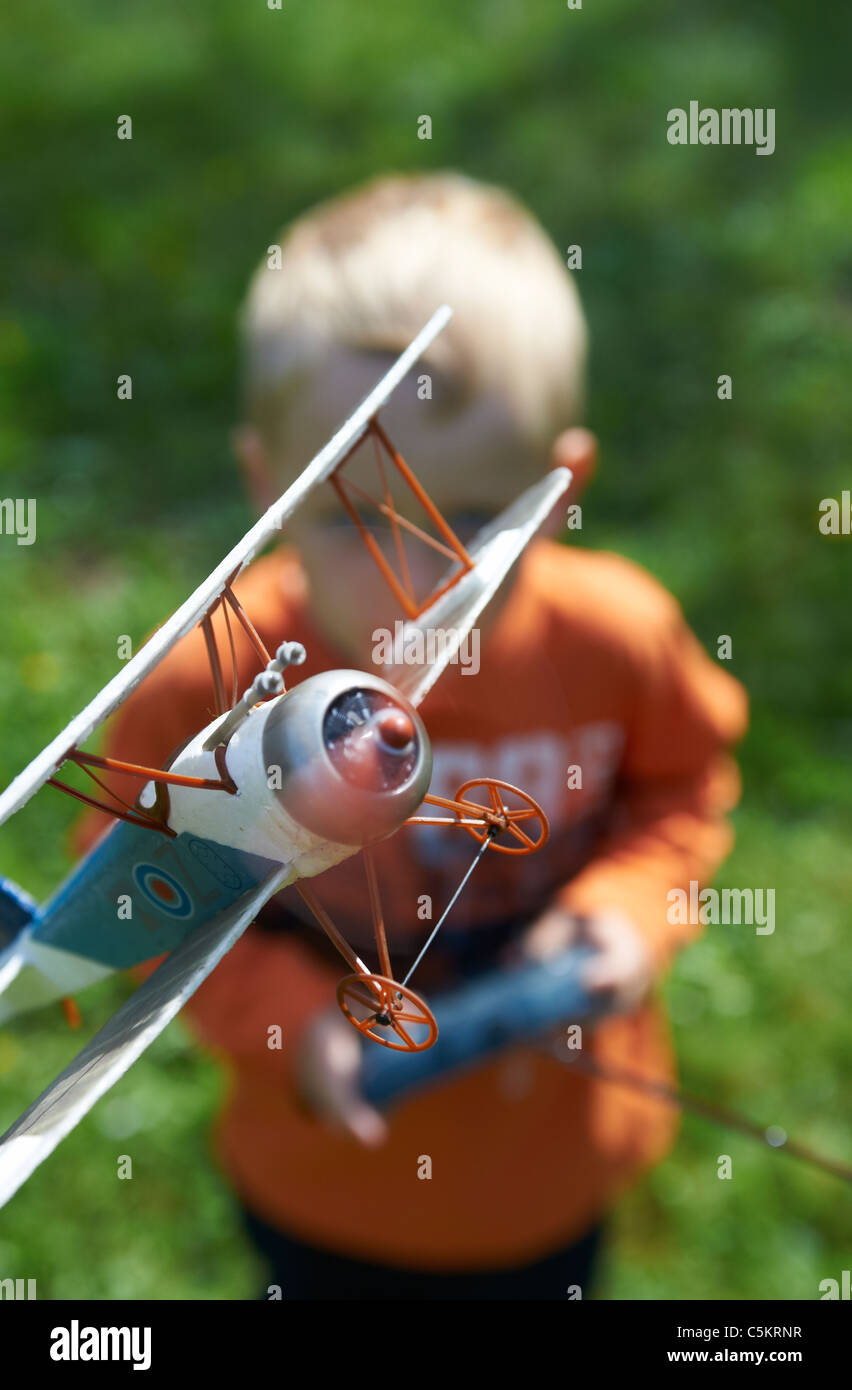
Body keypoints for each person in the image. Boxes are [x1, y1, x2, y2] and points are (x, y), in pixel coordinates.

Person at [81, 173, 748, 1299]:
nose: (420, 578)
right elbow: (132, 890)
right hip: (325, 1179)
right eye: (354, 517)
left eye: (475, 516)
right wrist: (287, 1020)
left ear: (561, 488)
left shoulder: (619, 639)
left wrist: (633, 907)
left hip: (554, 1167)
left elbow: (683, 790)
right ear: (268, 486)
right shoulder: (208, 687)